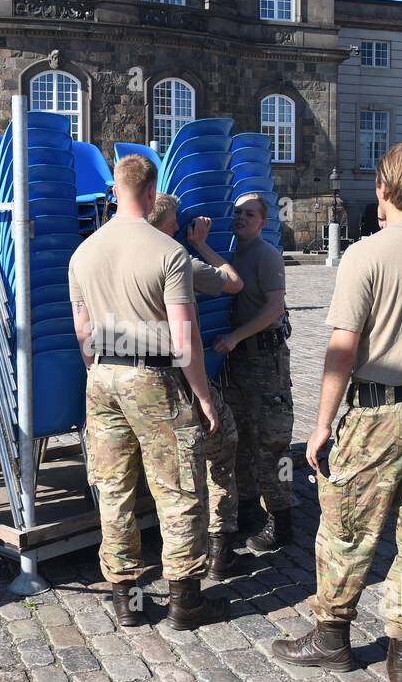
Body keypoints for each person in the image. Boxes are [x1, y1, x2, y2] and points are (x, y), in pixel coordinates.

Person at [272, 142, 402, 682]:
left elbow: (343, 349)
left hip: (375, 412)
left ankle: (333, 638)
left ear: (383, 190)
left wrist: (321, 423)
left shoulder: (365, 254)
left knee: (346, 532)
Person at [69, 156, 228, 630]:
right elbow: (184, 339)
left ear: (115, 189)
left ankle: (125, 598)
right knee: (177, 486)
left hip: (102, 375)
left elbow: (82, 328)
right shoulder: (168, 253)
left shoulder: (83, 252)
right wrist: (202, 397)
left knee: (114, 489)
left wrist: (97, 371)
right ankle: (185, 601)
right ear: (152, 189)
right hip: (153, 375)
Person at [148, 194, 245, 578]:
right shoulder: (178, 259)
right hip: (180, 380)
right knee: (220, 448)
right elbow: (234, 284)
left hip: (133, 380)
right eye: (173, 222)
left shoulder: (103, 253)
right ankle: (218, 553)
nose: (178, 227)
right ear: (164, 224)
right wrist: (201, 243)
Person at [216, 194, 294, 554]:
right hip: (240, 363)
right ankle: (248, 506)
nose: (241, 218)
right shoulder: (235, 253)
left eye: (250, 214)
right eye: (237, 213)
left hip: (265, 360)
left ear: (263, 222)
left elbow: (274, 308)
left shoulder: (266, 255)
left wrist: (235, 336)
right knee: (243, 439)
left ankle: (282, 517)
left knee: (272, 443)